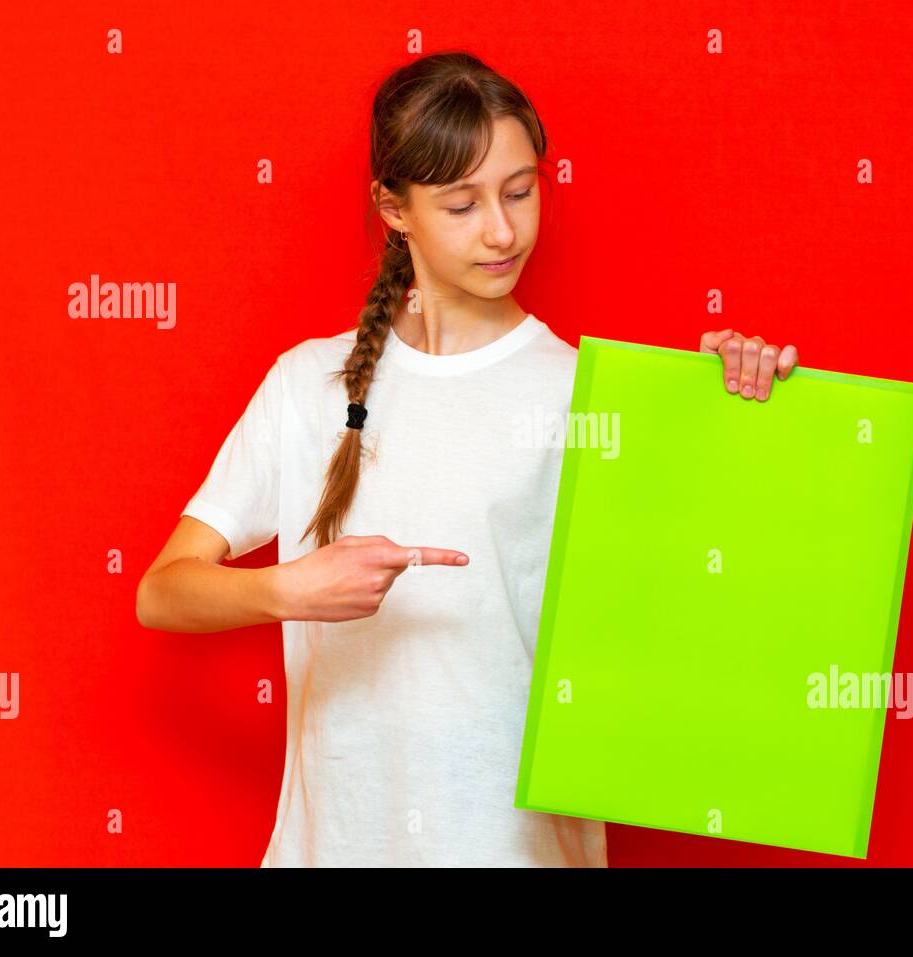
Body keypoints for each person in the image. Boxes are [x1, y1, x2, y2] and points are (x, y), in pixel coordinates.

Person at [135, 51, 799, 867]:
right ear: (394, 207)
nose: (503, 229)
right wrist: (288, 587)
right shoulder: (307, 382)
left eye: (521, 191)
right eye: (462, 203)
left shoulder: (589, 396)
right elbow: (161, 592)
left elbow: (722, 612)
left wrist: (739, 416)